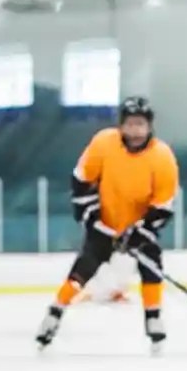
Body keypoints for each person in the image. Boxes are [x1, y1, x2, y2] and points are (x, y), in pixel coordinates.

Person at [36, 96, 179, 354]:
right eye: (130, 124)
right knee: (83, 269)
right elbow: (81, 181)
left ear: (150, 127)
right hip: (105, 224)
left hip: (136, 227)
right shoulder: (103, 143)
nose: (135, 131)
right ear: (121, 126)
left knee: (152, 263)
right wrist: (93, 219)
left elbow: (163, 206)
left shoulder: (162, 157)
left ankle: (153, 318)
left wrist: (140, 231)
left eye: (140, 124)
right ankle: (54, 313)